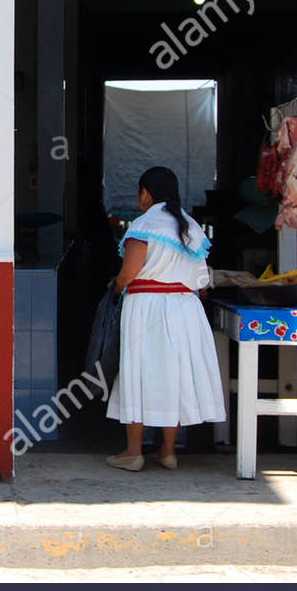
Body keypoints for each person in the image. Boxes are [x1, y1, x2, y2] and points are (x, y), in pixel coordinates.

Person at [105, 166, 225, 471]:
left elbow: (129, 272)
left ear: (145, 194)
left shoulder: (143, 225)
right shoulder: (192, 228)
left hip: (146, 308)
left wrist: (116, 286)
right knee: (173, 375)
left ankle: (133, 452)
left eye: (139, 193)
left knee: (138, 372)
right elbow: (202, 282)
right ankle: (168, 451)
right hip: (185, 309)